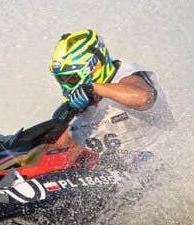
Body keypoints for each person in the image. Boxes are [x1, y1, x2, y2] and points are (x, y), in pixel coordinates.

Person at [46, 29, 174, 163]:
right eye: (61, 80)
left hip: (162, 165)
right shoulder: (78, 104)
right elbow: (58, 151)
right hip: (113, 175)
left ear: (95, 67)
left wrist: (93, 88)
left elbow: (143, 98)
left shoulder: (128, 74)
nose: (67, 87)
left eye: (71, 79)